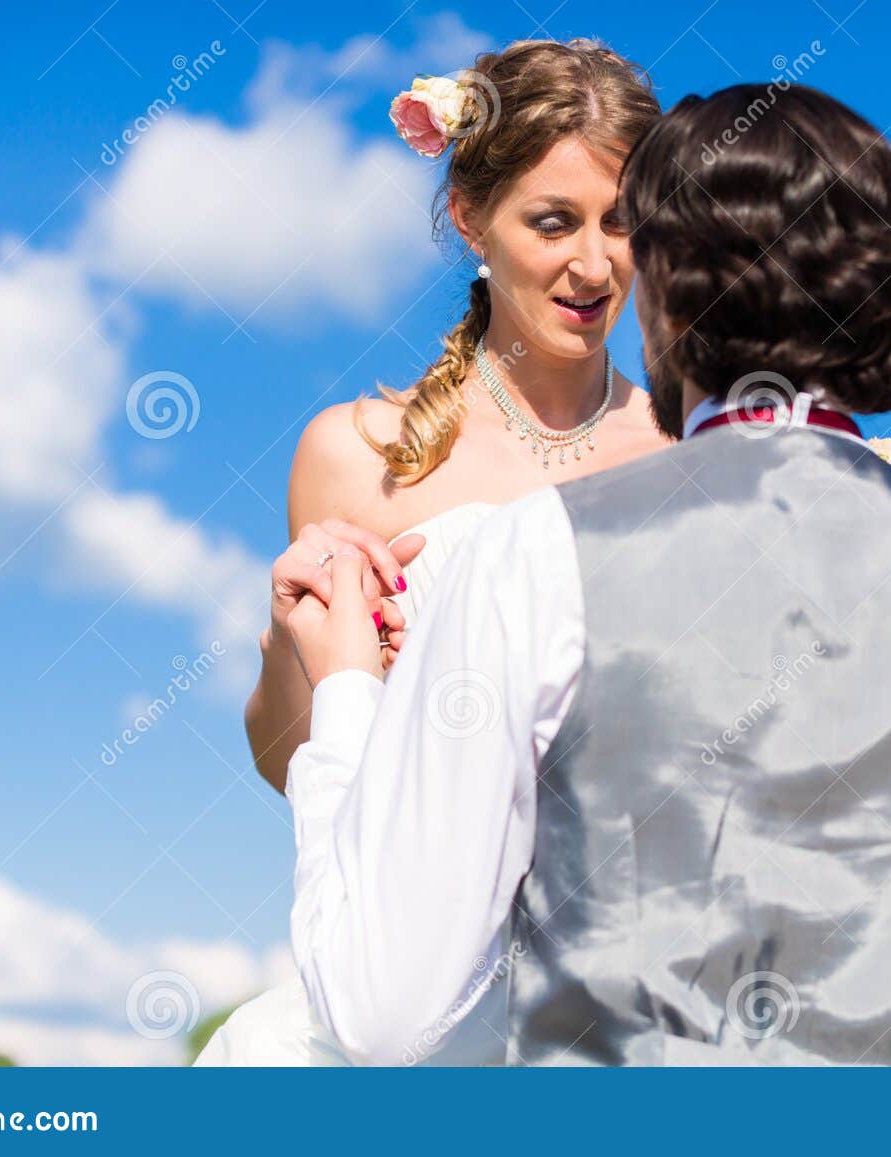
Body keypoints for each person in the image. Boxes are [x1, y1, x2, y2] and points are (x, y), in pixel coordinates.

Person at [283, 83, 891, 1065]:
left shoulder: (532, 560)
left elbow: (382, 1014)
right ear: (886, 289)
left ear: (670, 298)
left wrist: (346, 698)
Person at [196, 38, 667, 1066]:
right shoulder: (354, 455)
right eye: (553, 221)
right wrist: (296, 643)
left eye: (622, 223)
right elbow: (292, 765)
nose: (595, 264)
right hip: (416, 1002)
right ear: (469, 217)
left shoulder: (692, 454)